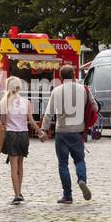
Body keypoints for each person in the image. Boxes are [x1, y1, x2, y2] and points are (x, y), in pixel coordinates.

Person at [40, 65, 91, 205]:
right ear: (74, 74)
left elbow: (49, 112)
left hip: (62, 132)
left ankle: (67, 195)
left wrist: (43, 130)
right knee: (79, 160)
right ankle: (82, 179)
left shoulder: (57, 91)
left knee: (63, 164)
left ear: (61, 77)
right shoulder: (83, 89)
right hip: (77, 131)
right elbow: (95, 107)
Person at [0, 76, 37, 205]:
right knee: (20, 165)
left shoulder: (4, 102)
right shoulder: (26, 102)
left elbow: (3, 122)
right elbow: (31, 121)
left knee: (13, 166)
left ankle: (16, 195)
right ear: (19, 87)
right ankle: (19, 192)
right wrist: (40, 132)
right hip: (24, 135)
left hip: (11, 135)